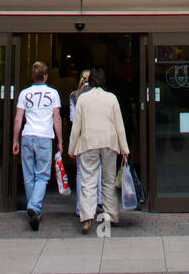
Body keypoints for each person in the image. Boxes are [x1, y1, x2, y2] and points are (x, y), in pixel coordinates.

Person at [68, 67, 129, 233]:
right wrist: (125, 148)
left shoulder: (83, 99)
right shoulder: (112, 98)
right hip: (109, 143)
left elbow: (76, 128)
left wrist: (71, 148)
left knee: (88, 180)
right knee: (108, 181)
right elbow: (119, 126)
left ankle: (86, 218)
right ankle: (110, 216)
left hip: (88, 143)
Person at [12, 61, 64, 231]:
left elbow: (18, 119)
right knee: (42, 176)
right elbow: (56, 118)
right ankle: (34, 207)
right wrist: (61, 140)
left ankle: (35, 210)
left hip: (27, 135)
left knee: (29, 175)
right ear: (46, 76)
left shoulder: (24, 94)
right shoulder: (53, 93)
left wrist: (15, 140)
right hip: (44, 137)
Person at [69, 69, 101, 218]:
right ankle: (97, 203)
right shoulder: (100, 95)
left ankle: (80, 207)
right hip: (96, 136)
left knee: (81, 173)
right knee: (98, 169)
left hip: (81, 137)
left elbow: (72, 119)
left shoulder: (75, 96)